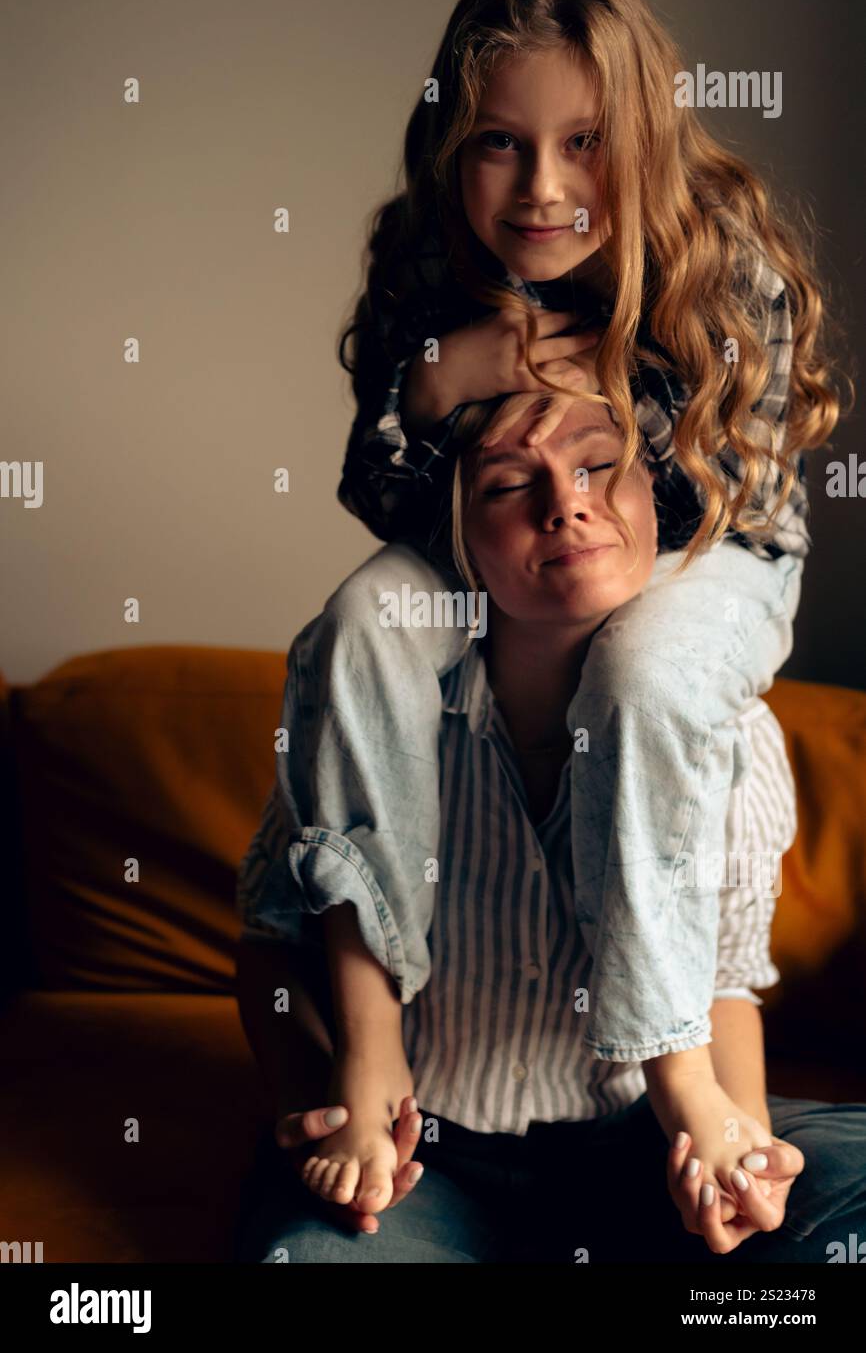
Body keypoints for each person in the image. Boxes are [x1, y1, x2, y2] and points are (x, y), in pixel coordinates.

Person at [234, 378, 866, 1263]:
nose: (565, 506)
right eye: (504, 486)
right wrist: (326, 1114)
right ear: (459, 544)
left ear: (657, 508)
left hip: (639, 1143)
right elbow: (271, 942)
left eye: (601, 467)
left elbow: (725, 983)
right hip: (430, 1153)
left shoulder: (726, 733)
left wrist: (742, 1155)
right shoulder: (368, 715)